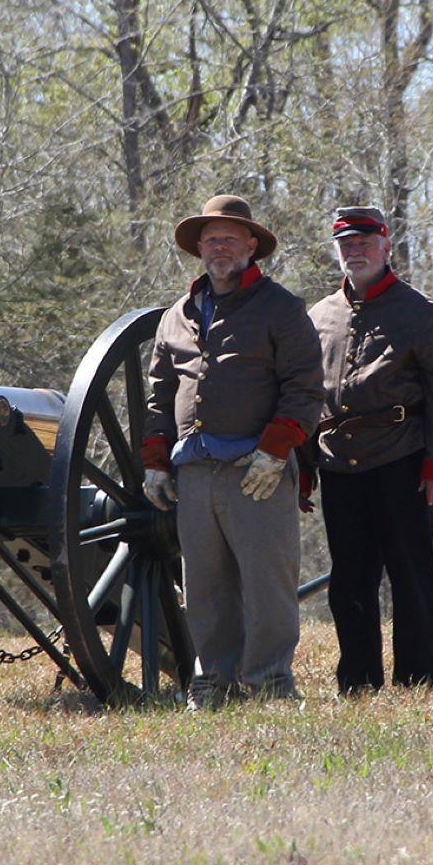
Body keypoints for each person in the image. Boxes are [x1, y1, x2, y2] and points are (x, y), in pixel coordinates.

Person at [142, 194, 324, 708]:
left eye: (230, 237)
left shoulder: (281, 308)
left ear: (251, 246)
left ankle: (269, 683)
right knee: (203, 587)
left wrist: (274, 452)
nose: (220, 246)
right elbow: (159, 392)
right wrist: (155, 462)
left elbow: (305, 386)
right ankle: (213, 682)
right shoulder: (176, 316)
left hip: (256, 467)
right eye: (211, 238)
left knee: (268, 584)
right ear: (199, 248)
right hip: (195, 469)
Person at [306, 206, 433, 693]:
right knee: (349, 579)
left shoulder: (420, 311)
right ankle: (357, 682)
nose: (356, 252)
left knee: (410, 575)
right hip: (337, 463)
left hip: (403, 458)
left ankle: (417, 680)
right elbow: (307, 396)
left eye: (364, 243)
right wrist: (304, 466)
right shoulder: (319, 316)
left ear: (385, 246)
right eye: (346, 245)